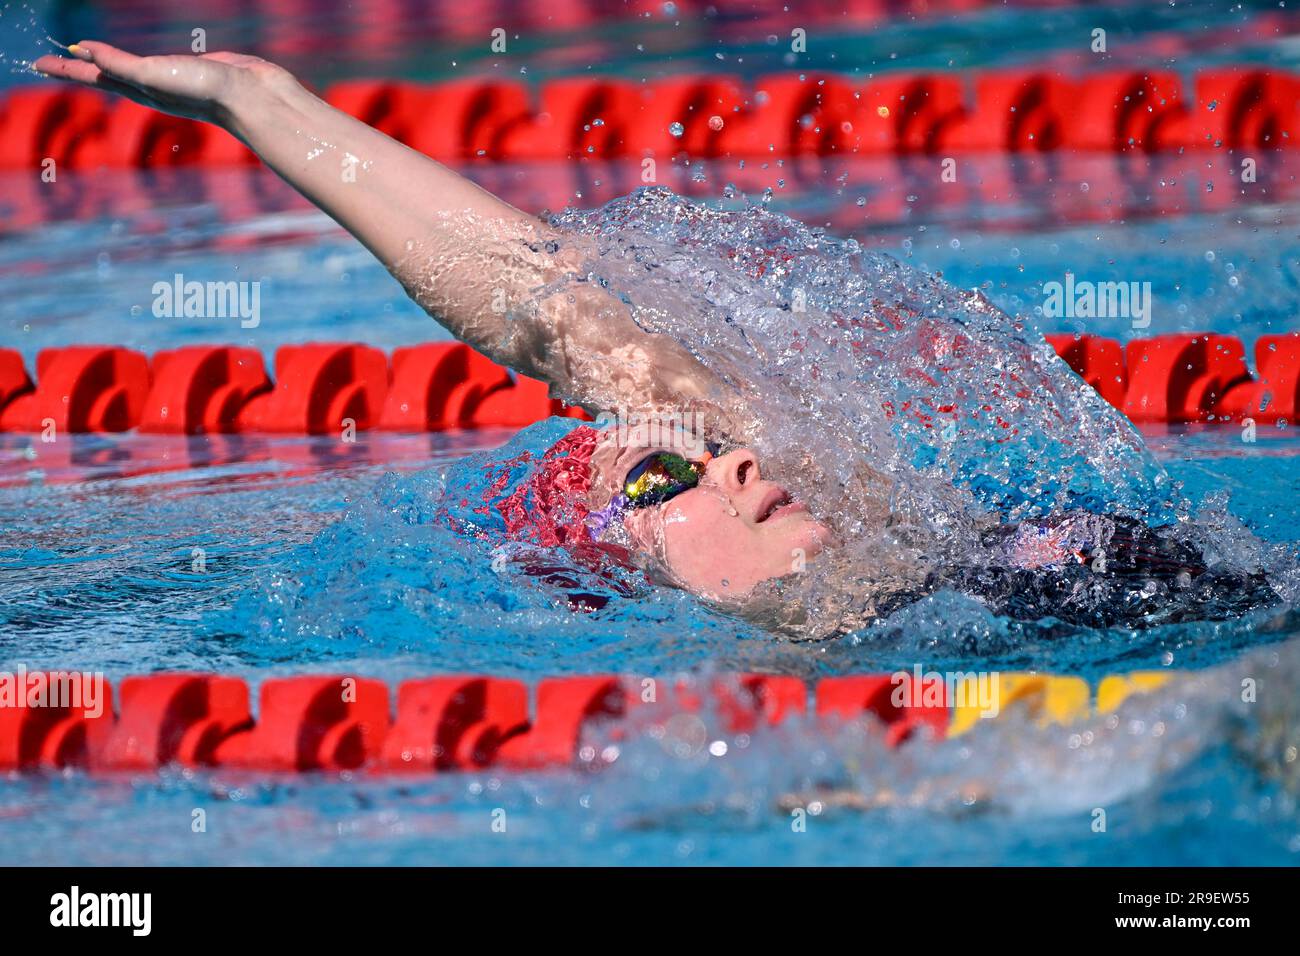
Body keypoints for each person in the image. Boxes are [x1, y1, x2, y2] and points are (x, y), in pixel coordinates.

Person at [33, 43, 1279, 632]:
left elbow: (558, 305)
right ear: (618, 578)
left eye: (702, 447)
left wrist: (264, 102)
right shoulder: (816, 742)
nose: (734, 458)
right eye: (664, 476)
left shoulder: (982, 548)